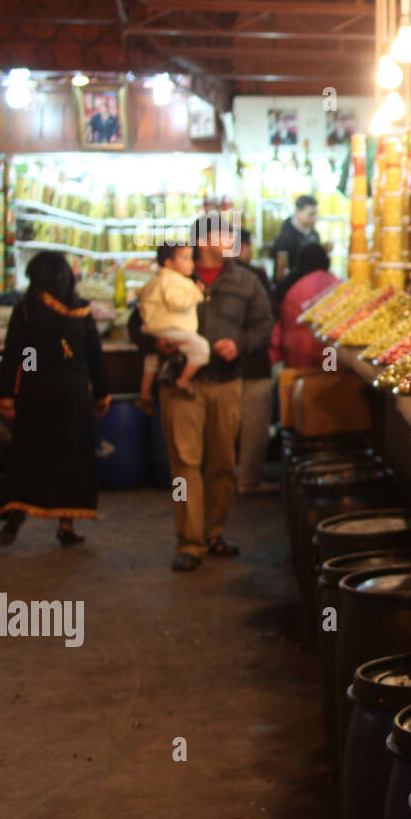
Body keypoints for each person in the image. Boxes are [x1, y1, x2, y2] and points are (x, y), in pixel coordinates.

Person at [129, 218, 273, 572]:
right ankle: (189, 541)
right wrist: (155, 341)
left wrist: (239, 344)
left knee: (223, 464)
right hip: (180, 383)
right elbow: (138, 322)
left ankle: (214, 532)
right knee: (184, 467)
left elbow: (264, 324)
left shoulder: (247, 281)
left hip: (226, 382)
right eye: (222, 234)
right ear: (202, 240)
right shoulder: (174, 274)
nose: (230, 240)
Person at [0, 251, 109, 546]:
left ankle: (16, 512)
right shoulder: (82, 311)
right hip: (74, 396)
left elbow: (17, 353)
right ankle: (67, 526)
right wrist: (102, 393)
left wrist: (7, 395)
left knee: (30, 453)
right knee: (71, 459)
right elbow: (94, 357)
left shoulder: (28, 309)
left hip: (36, 393)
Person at [136, 243, 209, 412]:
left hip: (153, 329)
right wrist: (197, 293)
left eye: (191, 258)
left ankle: (144, 393)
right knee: (202, 348)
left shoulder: (157, 279)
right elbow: (177, 302)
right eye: (185, 258)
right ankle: (183, 379)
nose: (191, 263)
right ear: (169, 262)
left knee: (152, 358)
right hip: (172, 328)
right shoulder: (174, 281)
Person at [235, 235, 276, 495]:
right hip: (250, 365)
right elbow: (270, 317)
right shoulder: (256, 275)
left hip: (225, 366)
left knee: (229, 428)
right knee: (253, 425)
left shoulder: (199, 277)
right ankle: (248, 480)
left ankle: (228, 478)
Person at [270, 242, 338, 370]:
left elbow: (281, 323)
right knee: (330, 385)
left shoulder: (289, 286)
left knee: (303, 387)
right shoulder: (335, 283)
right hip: (330, 353)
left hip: (298, 353)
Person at [271, 195, 320, 281]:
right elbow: (281, 273)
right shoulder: (284, 238)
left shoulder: (314, 235)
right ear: (298, 211)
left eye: (316, 214)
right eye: (311, 214)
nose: (315, 218)